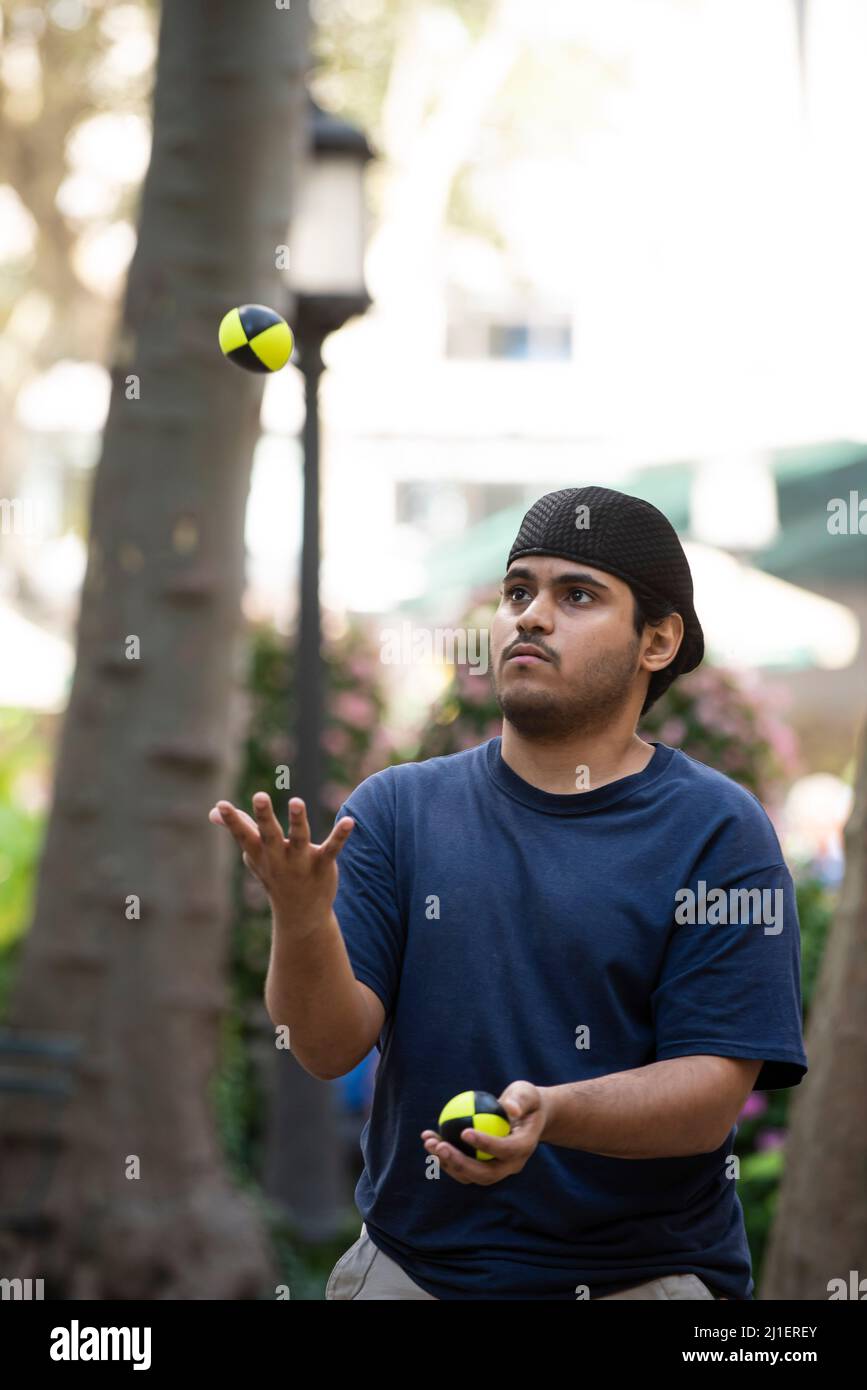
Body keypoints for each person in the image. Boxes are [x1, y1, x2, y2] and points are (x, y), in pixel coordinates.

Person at [210, 485, 808, 1301]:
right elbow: (324, 1046)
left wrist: (553, 1113)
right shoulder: (395, 810)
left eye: (577, 595)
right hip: (409, 1273)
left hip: (639, 1281)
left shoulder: (716, 830)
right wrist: (301, 914)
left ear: (657, 640)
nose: (530, 616)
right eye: (518, 591)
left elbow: (706, 1096)